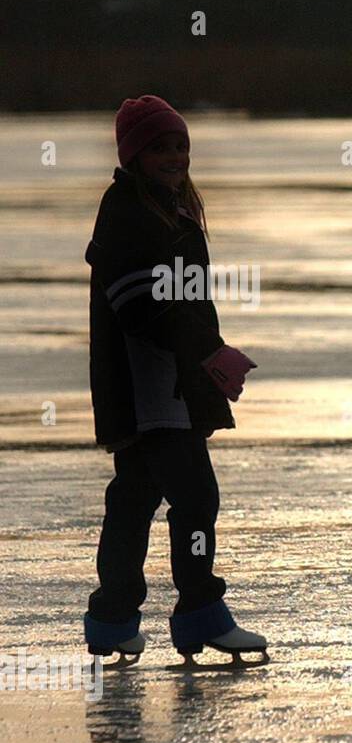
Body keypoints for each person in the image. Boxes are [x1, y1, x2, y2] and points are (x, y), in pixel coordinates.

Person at [83, 95, 267, 662]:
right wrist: (208, 352)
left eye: (181, 145)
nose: (174, 156)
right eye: (161, 147)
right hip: (147, 392)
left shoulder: (175, 211)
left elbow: (188, 302)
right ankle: (199, 613)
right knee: (195, 497)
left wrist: (208, 360)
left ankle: (113, 620)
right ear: (135, 154)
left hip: (172, 387)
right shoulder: (128, 213)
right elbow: (139, 308)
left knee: (134, 499)